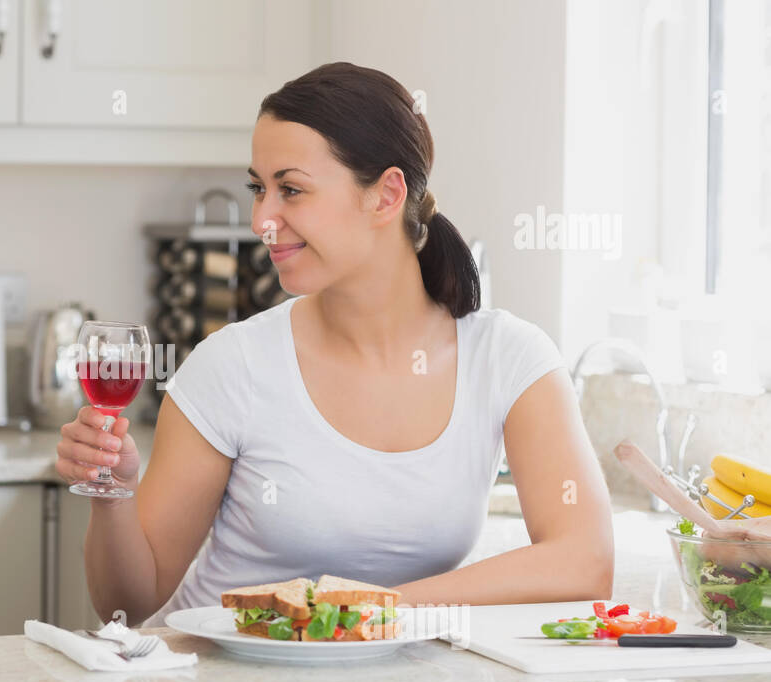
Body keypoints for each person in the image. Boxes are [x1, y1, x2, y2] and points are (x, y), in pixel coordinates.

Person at [56, 62, 614, 627]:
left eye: (290, 190)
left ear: (385, 196)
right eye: (259, 189)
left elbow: (584, 561)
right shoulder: (234, 365)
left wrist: (370, 611)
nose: (261, 221)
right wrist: (114, 497)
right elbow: (127, 604)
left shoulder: (508, 358)